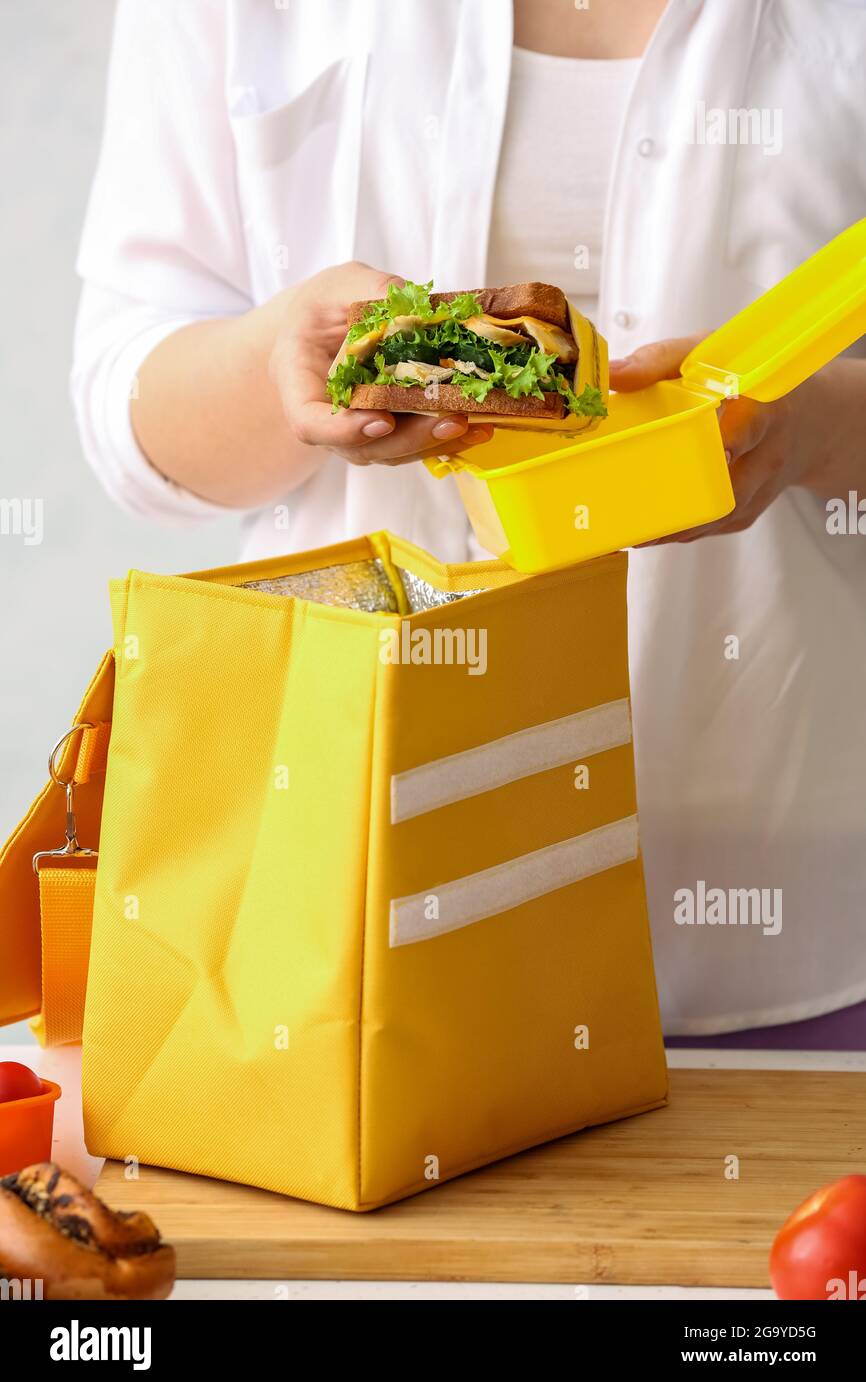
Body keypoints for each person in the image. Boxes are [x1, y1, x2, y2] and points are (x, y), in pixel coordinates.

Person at [72, 0, 866, 1045]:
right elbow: (126, 412)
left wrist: (810, 434)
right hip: (340, 933)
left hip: (784, 914)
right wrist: (284, 367)